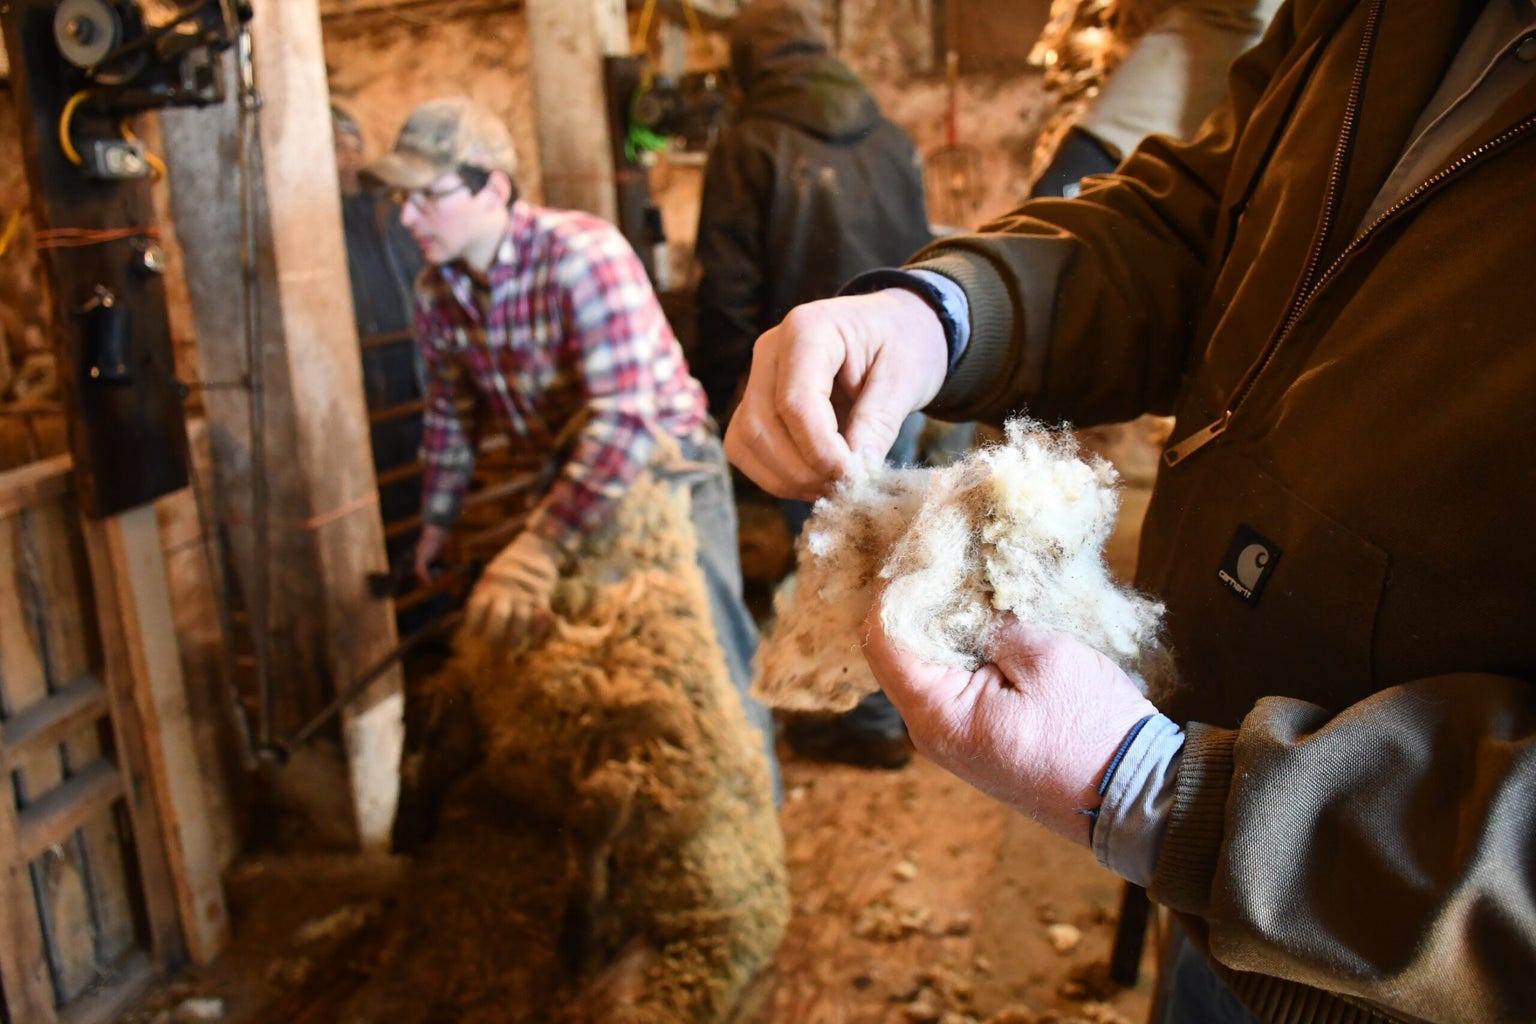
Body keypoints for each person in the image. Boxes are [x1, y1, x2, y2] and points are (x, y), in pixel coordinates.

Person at [724, 2, 1536, 1022]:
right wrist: (945, 312)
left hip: (1381, 964)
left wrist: (1174, 794)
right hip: (1200, 846)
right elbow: (1210, 218)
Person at [363, 96, 780, 802]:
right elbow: (452, 419)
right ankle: (620, 819)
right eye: (402, 199)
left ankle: (747, 814)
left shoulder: (582, 255)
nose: (408, 218)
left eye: (425, 197)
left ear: (492, 186)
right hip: (566, 475)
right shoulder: (438, 293)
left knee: (703, 641)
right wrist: (436, 525)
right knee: (593, 654)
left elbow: (623, 421)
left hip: (664, 463)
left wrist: (534, 550)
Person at [694, 0, 937, 769]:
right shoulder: (890, 136)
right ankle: (908, 709)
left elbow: (728, 286)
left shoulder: (749, 141)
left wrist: (727, 391)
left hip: (814, 389)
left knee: (840, 557)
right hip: (908, 372)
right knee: (901, 544)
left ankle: (863, 726)